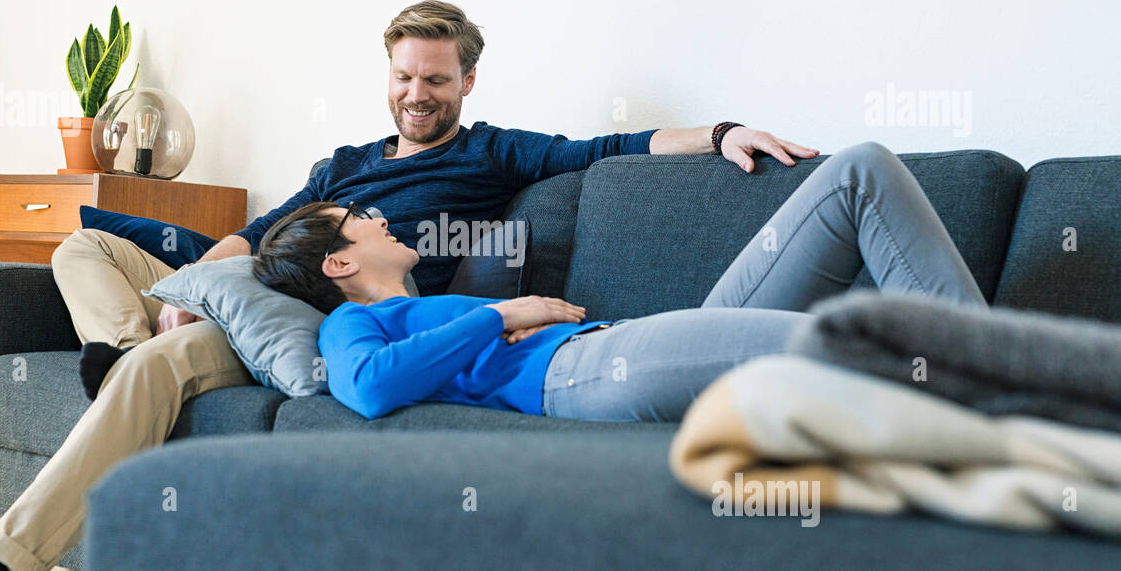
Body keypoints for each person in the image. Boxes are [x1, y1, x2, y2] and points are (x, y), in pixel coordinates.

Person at [0, 0, 819, 571]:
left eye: (436, 79)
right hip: (259, 275)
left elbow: (616, 143)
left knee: (165, 370)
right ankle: (115, 346)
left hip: (307, 310)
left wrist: (722, 131)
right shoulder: (344, 164)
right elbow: (259, 236)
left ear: (466, 82)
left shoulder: (493, 153)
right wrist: (197, 282)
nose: (417, 94)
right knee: (82, 244)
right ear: (387, 73)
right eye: (404, 76)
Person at [251, 142, 987, 423]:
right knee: (845, 343)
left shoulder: (421, 306)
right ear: (338, 264)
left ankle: (984, 364)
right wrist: (502, 314)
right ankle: (999, 388)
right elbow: (371, 388)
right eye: (359, 217)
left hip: (631, 343)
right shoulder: (348, 325)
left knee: (860, 171)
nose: (380, 216)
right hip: (589, 372)